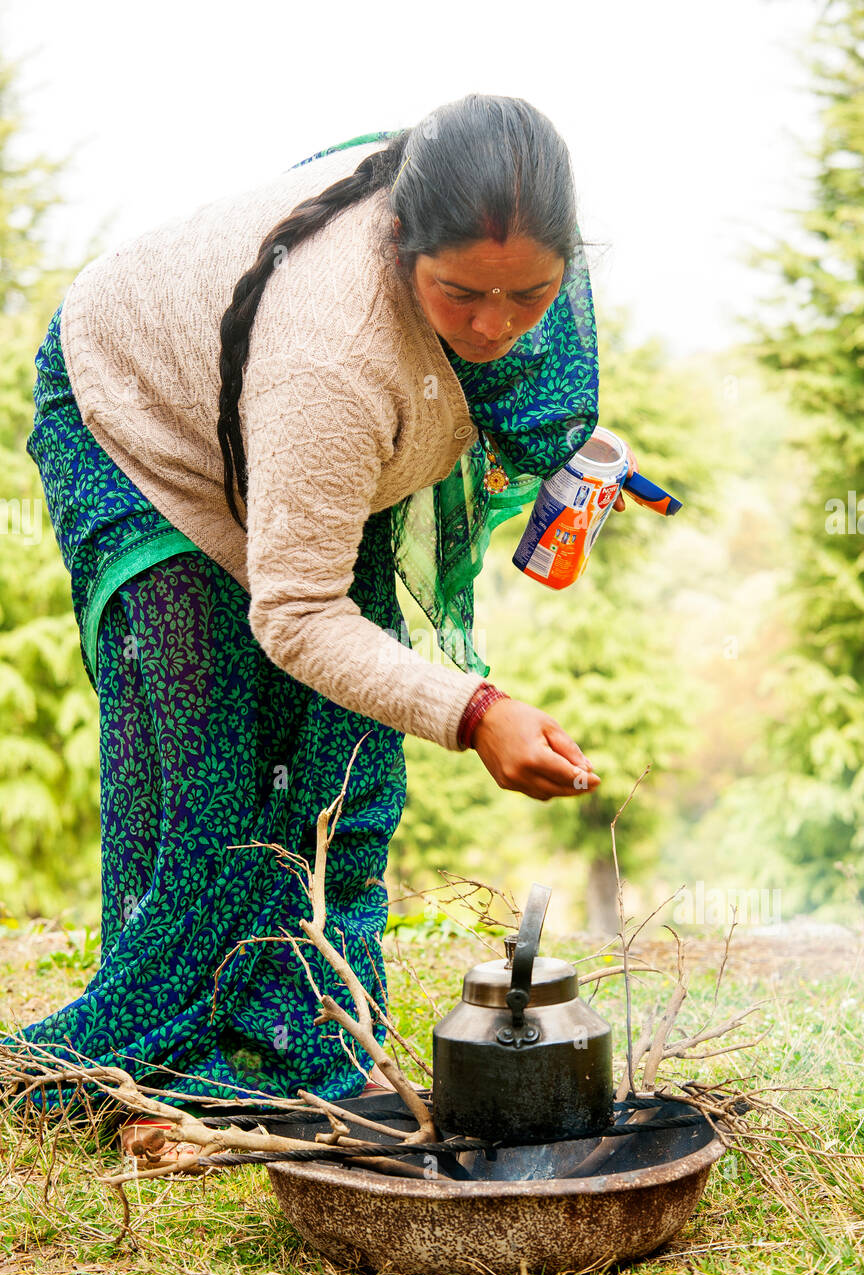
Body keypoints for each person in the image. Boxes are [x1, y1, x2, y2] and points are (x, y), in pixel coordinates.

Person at [8, 94, 637, 1155]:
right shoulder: (332, 355)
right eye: (461, 295)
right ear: (401, 243)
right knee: (215, 776)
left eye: (528, 294)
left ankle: (304, 1036)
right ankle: (146, 1065)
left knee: (341, 759)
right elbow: (297, 617)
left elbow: (528, 384)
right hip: (132, 417)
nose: (494, 327)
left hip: (280, 425)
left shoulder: (518, 265)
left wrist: (568, 462)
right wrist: (476, 710)